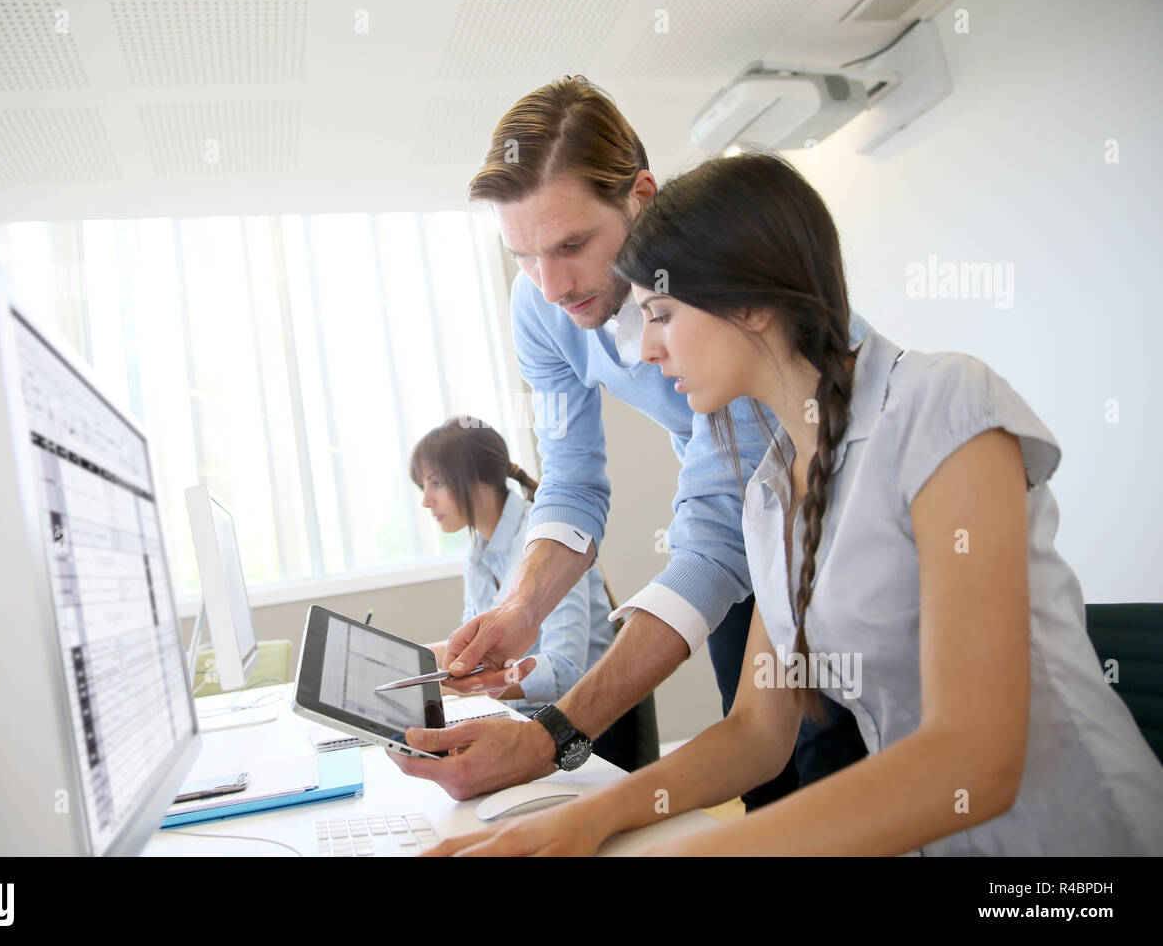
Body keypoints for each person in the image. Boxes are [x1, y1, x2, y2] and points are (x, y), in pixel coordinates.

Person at [425, 151, 1163, 855]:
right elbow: (756, 732)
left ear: (748, 300)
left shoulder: (942, 404)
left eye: (661, 314)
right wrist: (588, 820)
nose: (646, 352)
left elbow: (973, 761)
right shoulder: (773, 488)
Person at [387, 75, 869, 803]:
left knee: (834, 756)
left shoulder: (719, 292)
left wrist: (548, 741)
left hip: (836, 510)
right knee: (769, 764)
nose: (550, 285)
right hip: (755, 514)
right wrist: (524, 606)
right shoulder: (543, 305)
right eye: (522, 256)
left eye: (572, 244)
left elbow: (711, 538)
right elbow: (573, 476)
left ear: (640, 198)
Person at [409, 417, 613, 723]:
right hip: (525, 717)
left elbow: (565, 669)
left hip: (588, 722)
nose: (426, 501)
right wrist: (404, 661)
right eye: (423, 485)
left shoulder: (545, 543)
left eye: (437, 482)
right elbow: (468, 647)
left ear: (481, 480)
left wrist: (458, 688)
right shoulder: (477, 554)